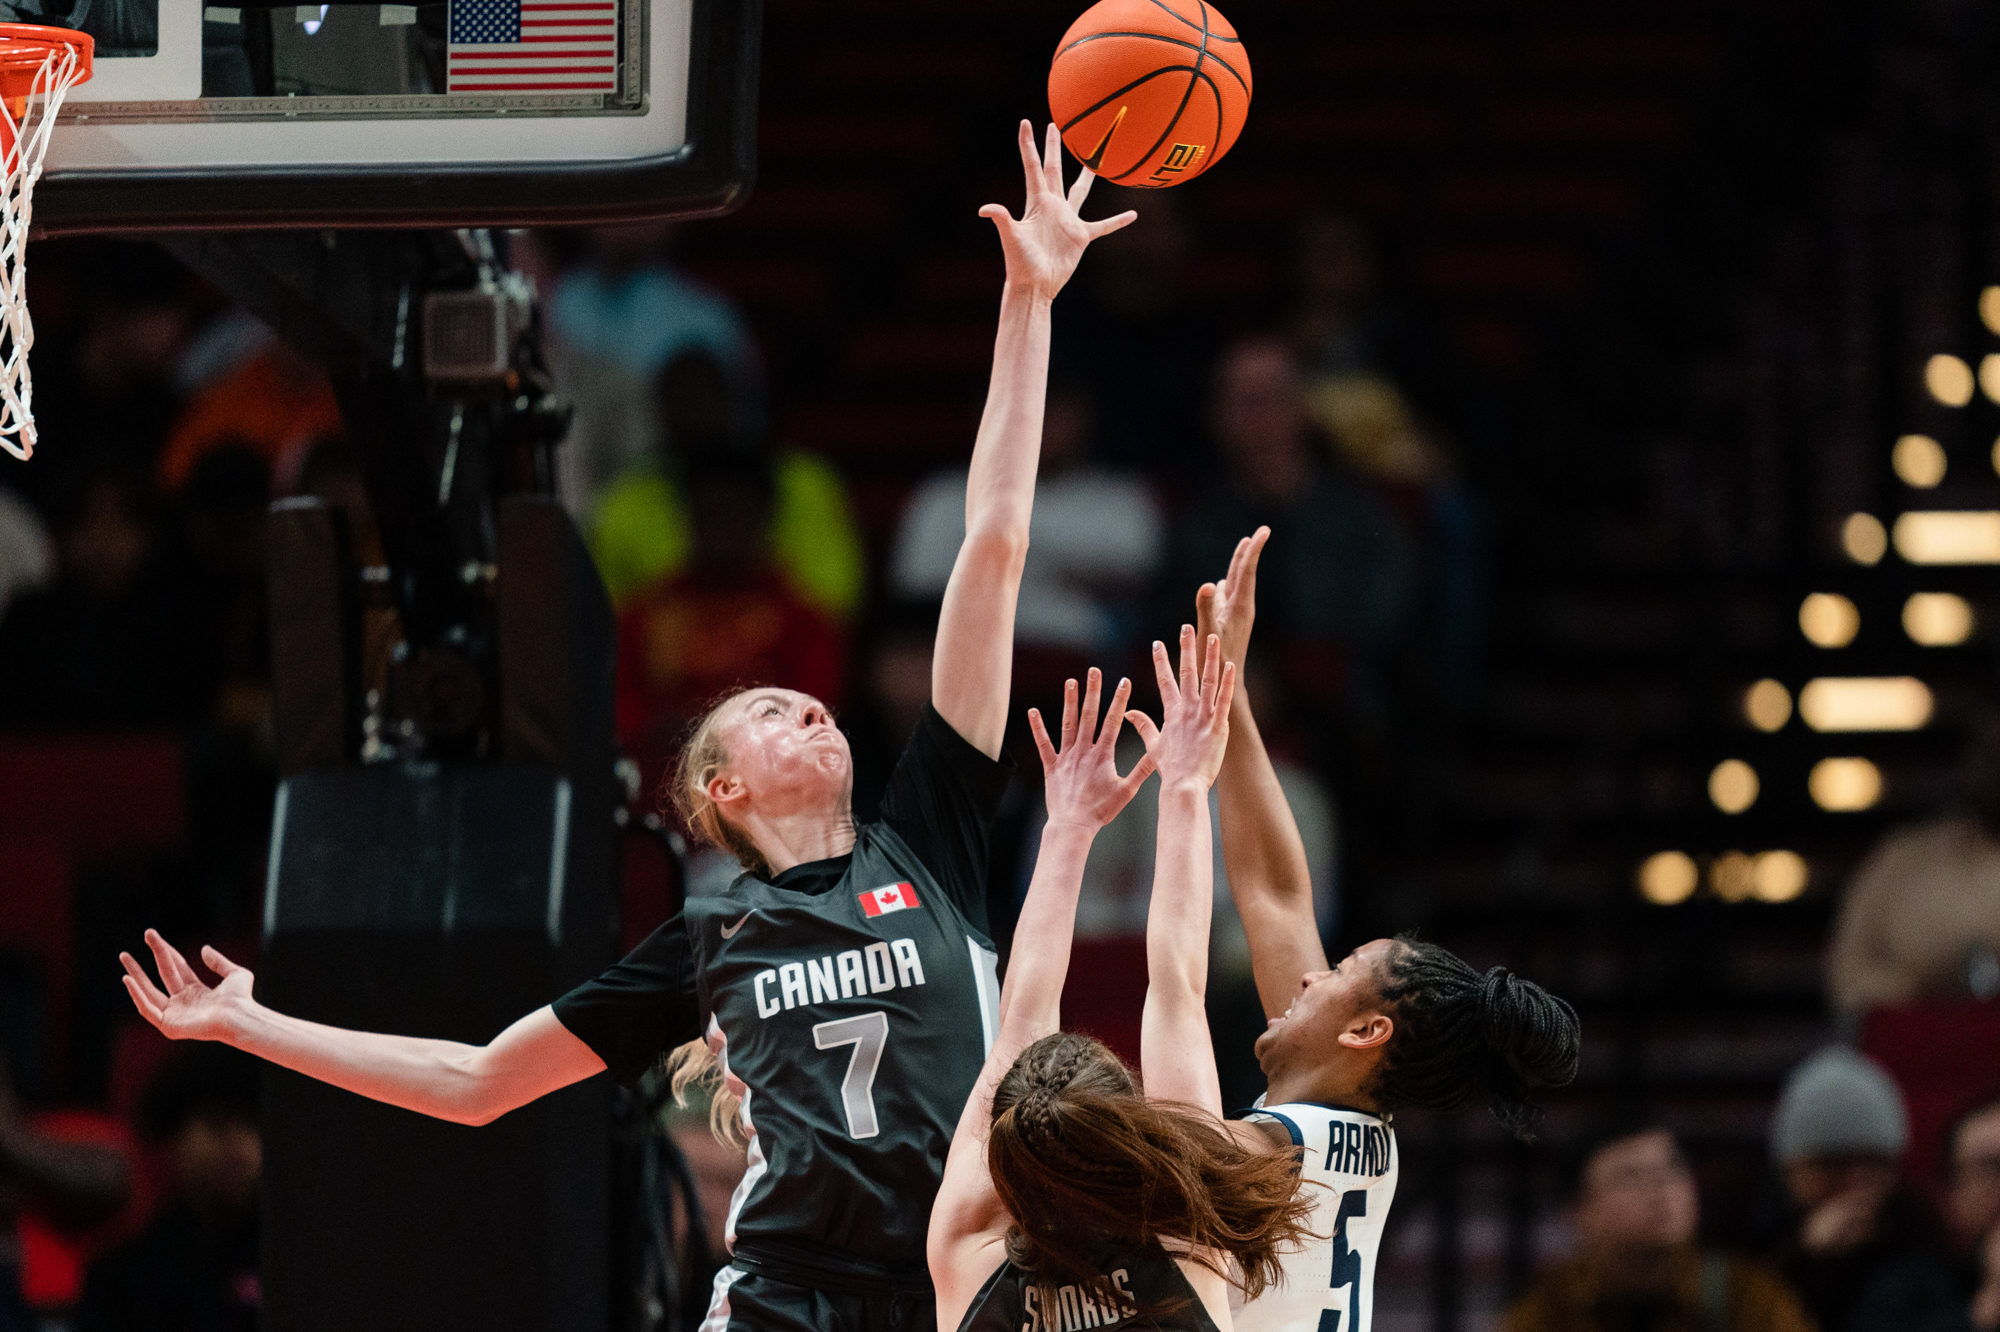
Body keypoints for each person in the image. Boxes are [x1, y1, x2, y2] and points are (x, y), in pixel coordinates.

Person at [117, 120, 1136, 1332]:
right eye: (768, 712)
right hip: (783, 1302)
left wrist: (1028, 303)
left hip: (953, 1290)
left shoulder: (930, 837)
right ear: (720, 795)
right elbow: (478, 1081)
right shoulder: (710, 937)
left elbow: (994, 546)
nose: (808, 706)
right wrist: (251, 1024)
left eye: (806, 700)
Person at [1191, 526, 1582, 1332]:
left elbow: (1126, 1140)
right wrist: (1230, 693)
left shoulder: (1276, 1146)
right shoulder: (1355, 1119)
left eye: (1339, 972)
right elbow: (1275, 896)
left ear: (1368, 1030)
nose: (1311, 974)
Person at [929, 638, 1311, 1332]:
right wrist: (1186, 787)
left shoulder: (968, 1251)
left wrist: (1068, 826)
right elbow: (1176, 984)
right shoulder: (1187, 1228)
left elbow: (1022, 1014)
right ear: (1131, 1121)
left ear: (1006, 1155)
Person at [589, 349, 864, 618]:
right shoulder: (626, 497)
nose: (692, 412)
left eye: (703, 397)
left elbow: (834, 600)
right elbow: (606, 615)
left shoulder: (804, 481)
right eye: (681, 399)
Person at [1501, 1125, 1814, 1332]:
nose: (1661, 1190)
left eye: (1672, 1168)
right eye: (1630, 1177)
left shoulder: (1749, 1298)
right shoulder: (1550, 1312)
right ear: (1578, 1212)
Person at [77, 1045, 262, 1332]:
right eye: (217, 1123)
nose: (240, 1147)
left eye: (253, 1125)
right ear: (172, 1137)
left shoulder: (299, 1261)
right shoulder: (125, 1276)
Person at [1766, 1047, 1947, 1332]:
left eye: (1874, 1163)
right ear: (1790, 1167)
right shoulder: (1746, 1218)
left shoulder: (1917, 1228)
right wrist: (1802, 1257)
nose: (1855, 1182)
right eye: (1833, 1165)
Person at [1828, 724, 2000, 1015]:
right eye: (1988, 751)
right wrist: (1921, 989)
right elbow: (1848, 976)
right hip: (1916, 1033)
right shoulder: (1902, 858)